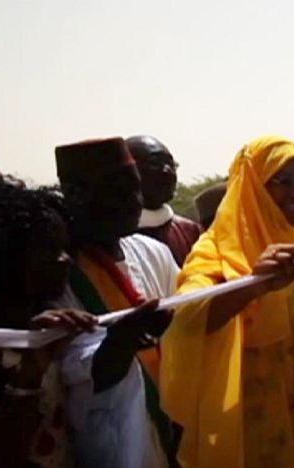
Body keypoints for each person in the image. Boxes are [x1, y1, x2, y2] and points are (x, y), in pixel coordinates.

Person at [160, 135, 294, 468]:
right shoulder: (217, 250)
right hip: (257, 426)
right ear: (251, 187)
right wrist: (252, 285)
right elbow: (187, 319)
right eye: (284, 182)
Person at [54, 137, 178, 467]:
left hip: (173, 429)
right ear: (76, 195)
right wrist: (122, 341)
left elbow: (191, 324)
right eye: (116, 191)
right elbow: (76, 373)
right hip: (116, 444)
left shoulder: (152, 252)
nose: (134, 202)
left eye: (135, 188)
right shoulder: (58, 274)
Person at [0, 183, 98, 468]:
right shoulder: (0, 346)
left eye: (66, 248)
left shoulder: (51, 326)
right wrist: (28, 375)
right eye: (50, 249)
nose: (65, 260)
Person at [128, 135, 203, 266]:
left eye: (170, 164)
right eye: (154, 163)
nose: (167, 171)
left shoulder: (190, 231)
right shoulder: (113, 238)